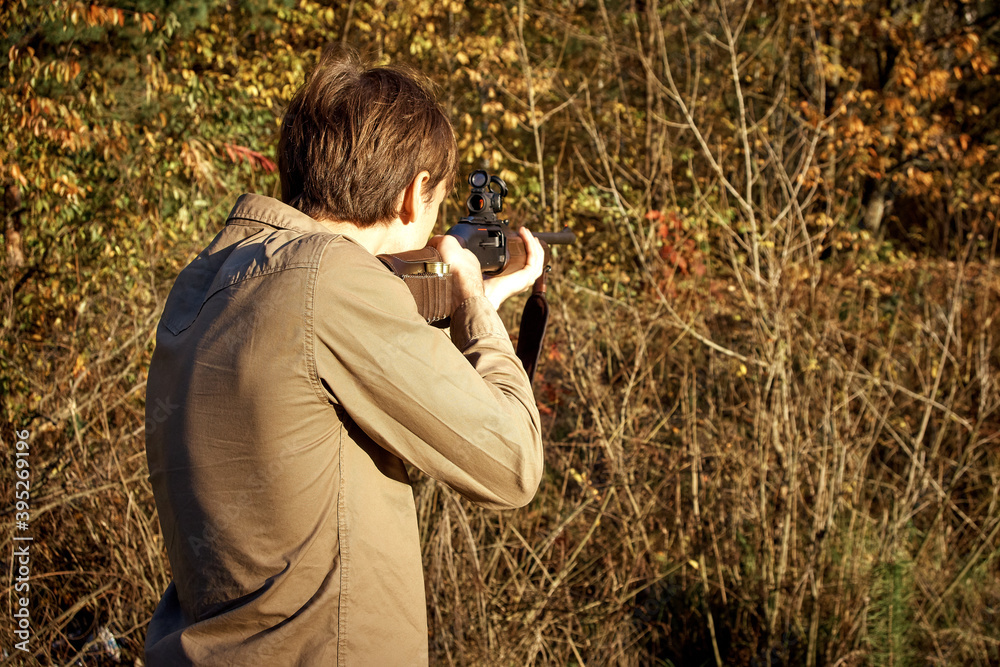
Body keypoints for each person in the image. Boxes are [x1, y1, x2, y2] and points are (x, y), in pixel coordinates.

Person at [143, 47, 545, 665]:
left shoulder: (208, 279)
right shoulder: (329, 281)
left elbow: (311, 407)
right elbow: (513, 463)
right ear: (415, 195)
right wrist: (474, 306)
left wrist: (475, 300)